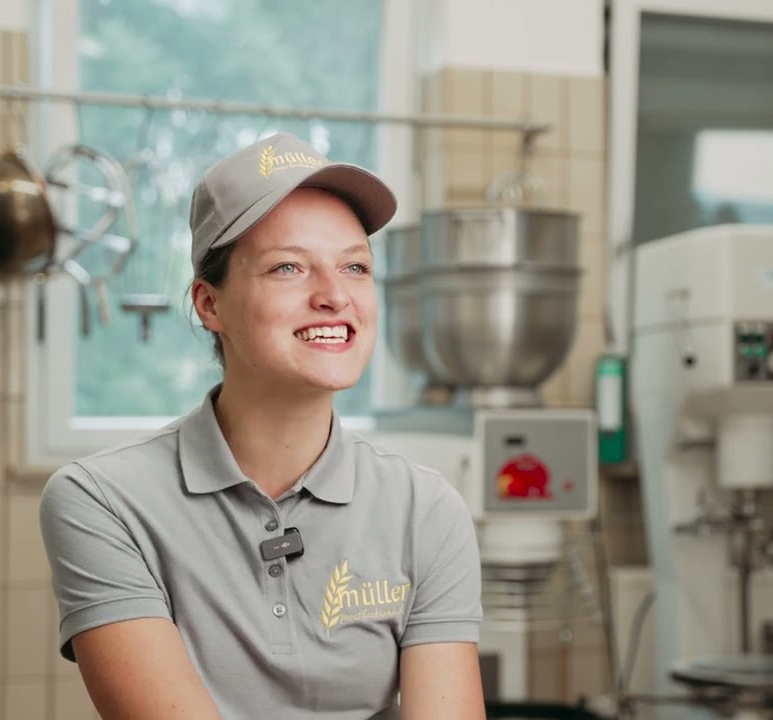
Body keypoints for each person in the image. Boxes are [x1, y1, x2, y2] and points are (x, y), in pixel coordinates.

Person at [38, 131, 487, 719]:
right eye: (288, 267)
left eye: (355, 266)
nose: (335, 296)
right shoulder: (104, 502)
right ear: (210, 304)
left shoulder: (424, 510)